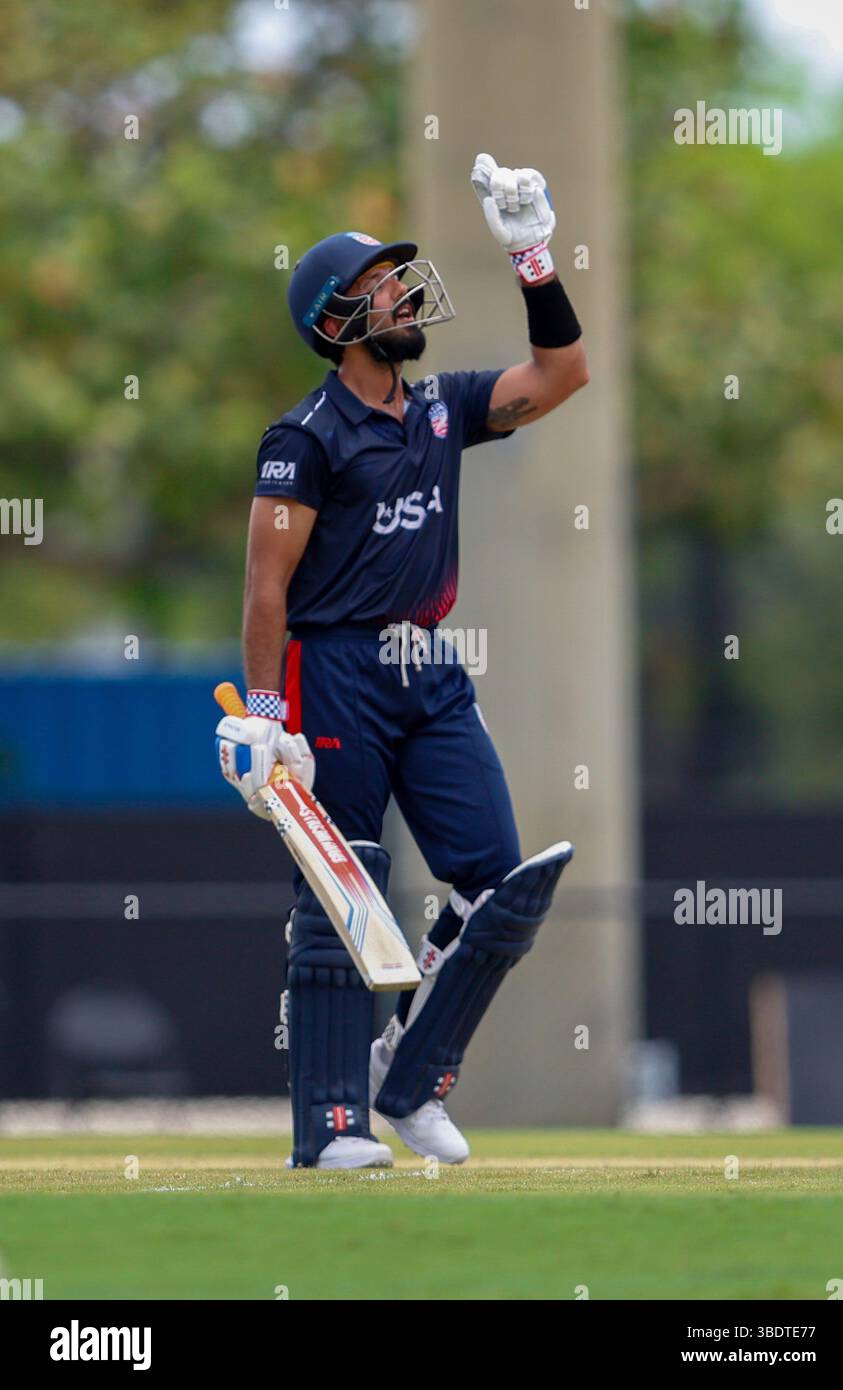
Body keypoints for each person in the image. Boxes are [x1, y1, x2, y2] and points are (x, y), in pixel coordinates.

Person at [217, 154, 588, 1169]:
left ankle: (409, 1078)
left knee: (493, 883)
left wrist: (531, 255)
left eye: (397, 279)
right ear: (337, 323)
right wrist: (261, 712)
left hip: (425, 666)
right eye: (378, 285)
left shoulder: (440, 409)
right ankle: (329, 1125)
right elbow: (264, 586)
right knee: (344, 886)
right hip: (333, 670)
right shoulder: (302, 438)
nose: (400, 294)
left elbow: (561, 375)